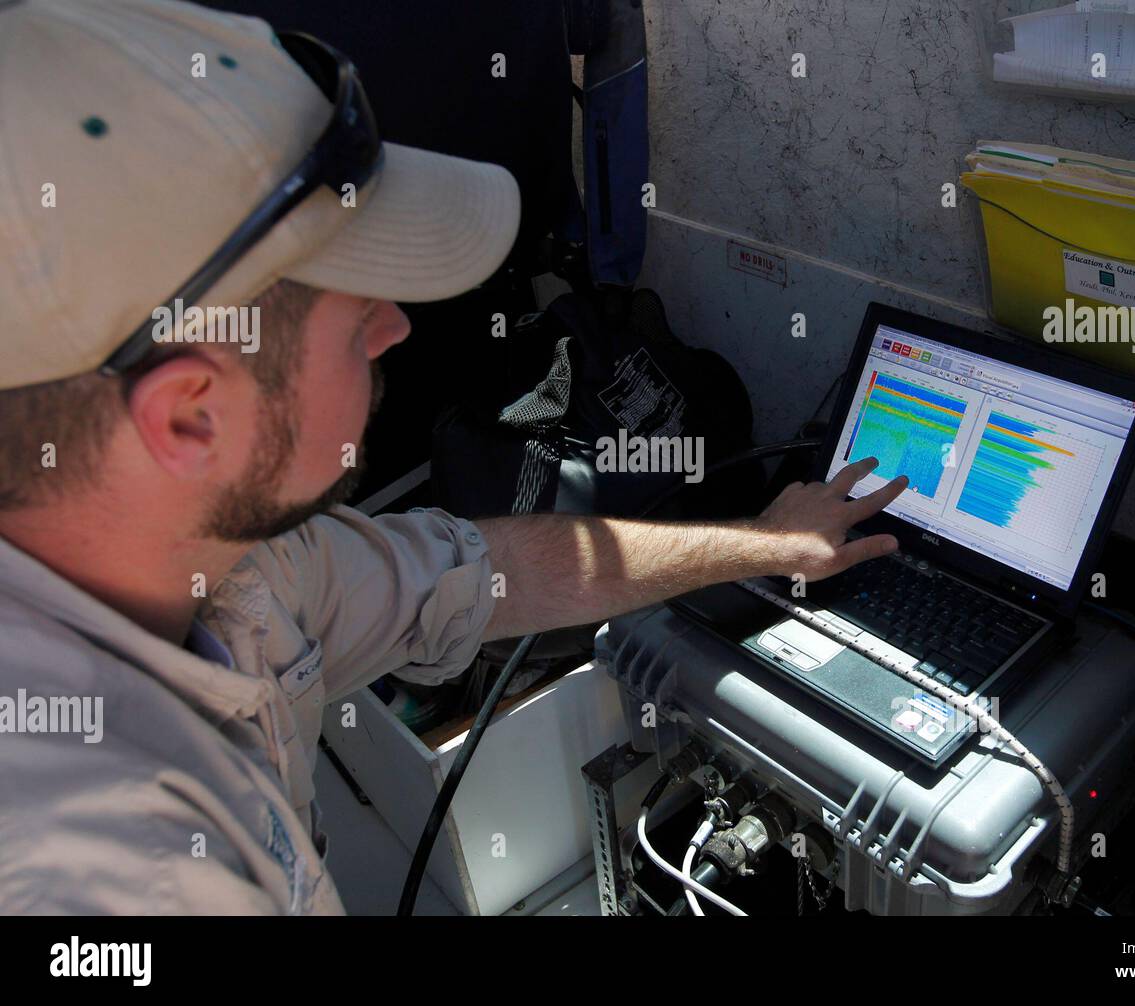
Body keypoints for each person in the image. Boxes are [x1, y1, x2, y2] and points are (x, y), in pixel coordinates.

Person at [0, 0, 906, 914]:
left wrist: (766, 542)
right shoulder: (103, 868)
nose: (395, 328)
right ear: (190, 420)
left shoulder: (235, 561)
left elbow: (494, 570)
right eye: (359, 315)